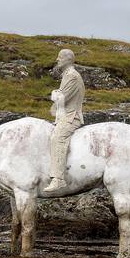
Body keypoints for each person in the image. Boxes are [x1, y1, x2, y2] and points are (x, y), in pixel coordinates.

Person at [44, 48, 85, 192]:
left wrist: (54, 94)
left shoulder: (72, 76)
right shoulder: (67, 75)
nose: (57, 59)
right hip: (64, 115)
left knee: (57, 138)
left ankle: (58, 179)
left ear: (68, 59)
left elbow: (60, 97)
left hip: (71, 117)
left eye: (60, 57)